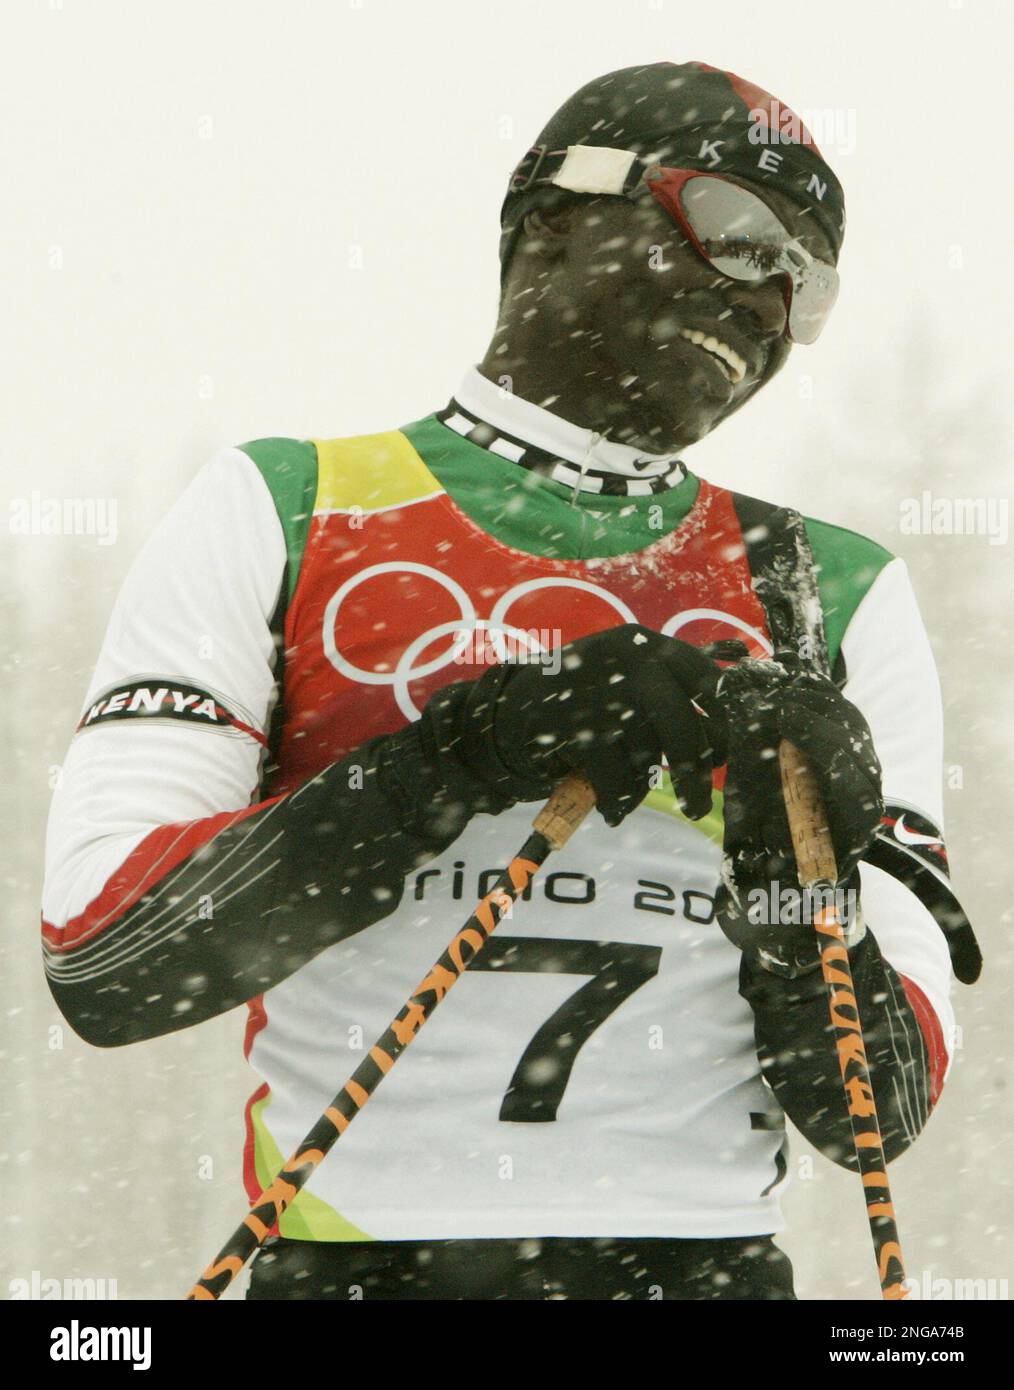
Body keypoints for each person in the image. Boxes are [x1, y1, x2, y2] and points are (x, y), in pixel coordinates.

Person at [41, 60, 979, 1301]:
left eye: (808, 284)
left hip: (697, 1276)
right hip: (356, 1267)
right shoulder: (287, 506)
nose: (768, 300)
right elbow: (111, 961)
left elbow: (882, 1107)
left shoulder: (825, 585)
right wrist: (458, 753)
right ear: (552, 215)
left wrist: (789, 878)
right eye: (738, 233)